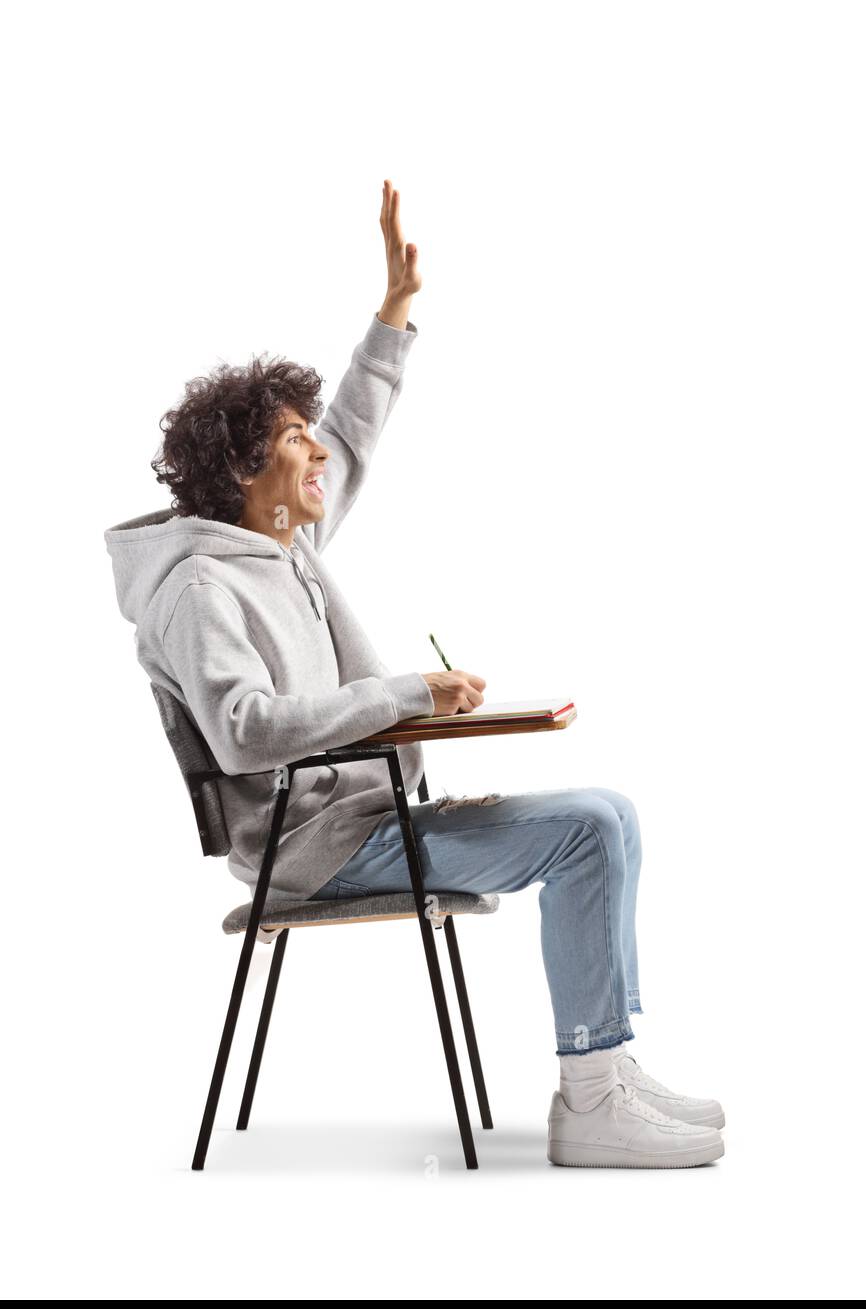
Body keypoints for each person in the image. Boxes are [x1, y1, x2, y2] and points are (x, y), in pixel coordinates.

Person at [105, 179, 725, 1169]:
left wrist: (392, 311)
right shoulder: (199, 589)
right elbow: (245, 730)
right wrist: (403, 697)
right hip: (320, 849)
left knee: (608, 810)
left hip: (369, 817)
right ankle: (590, 1095)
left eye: (303, 432)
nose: (315, 450)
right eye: (289, 443)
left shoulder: (281, 545)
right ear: (244, 481)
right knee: (585, 829)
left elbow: (352, 434)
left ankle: (603, 1066)